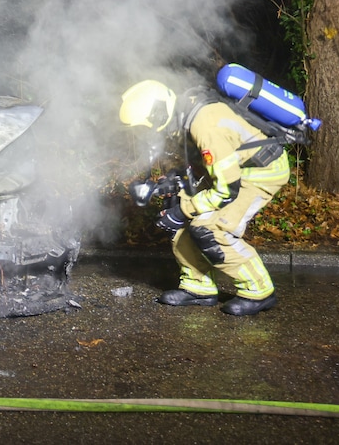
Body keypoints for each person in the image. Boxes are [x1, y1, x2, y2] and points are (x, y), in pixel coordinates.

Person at [119, 79, 289, 316]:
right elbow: (201, 163)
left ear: (158, 114)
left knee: (209, 227)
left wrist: (183, 211)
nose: (145, 134)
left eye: (145, 127)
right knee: (179, 216)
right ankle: (198, 286)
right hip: (235, 172)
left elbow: (226, 190)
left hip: (260, 173)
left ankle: (258, 290)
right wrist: (166, 187)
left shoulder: (204, 124)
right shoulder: (185, 111)